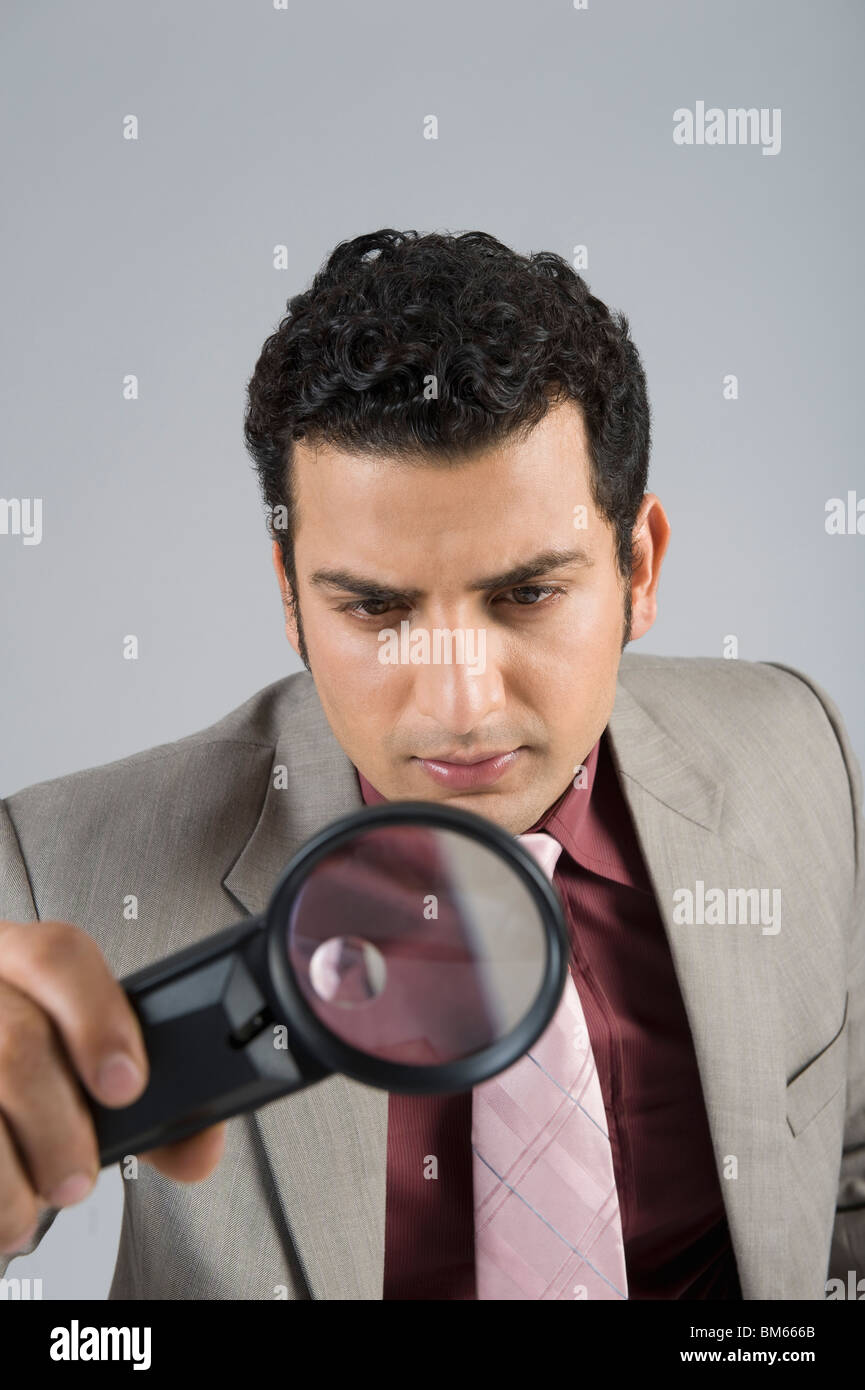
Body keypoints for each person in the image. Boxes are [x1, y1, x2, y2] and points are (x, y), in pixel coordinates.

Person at [0, 229, 861, 1300]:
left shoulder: (798, 751)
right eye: (374, 607)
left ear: (638, 568)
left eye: (526, 595)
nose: (459, 704)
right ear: (289, 595)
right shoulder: (58, 876)